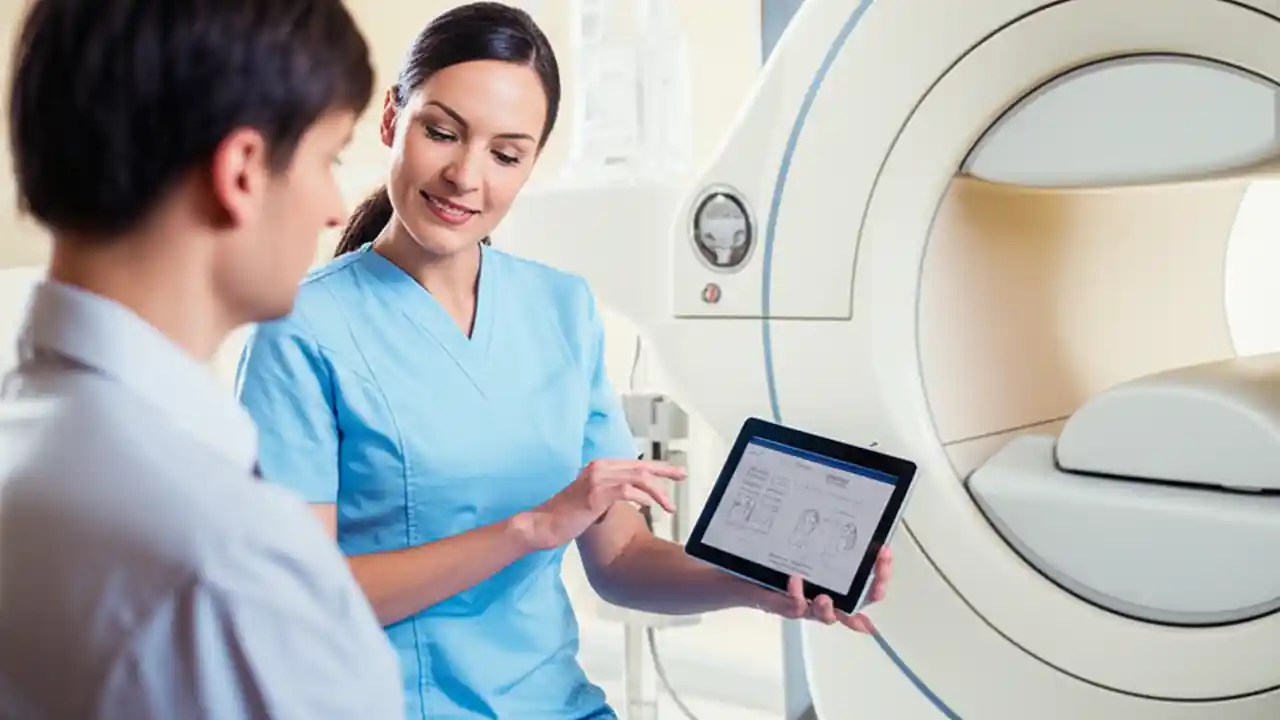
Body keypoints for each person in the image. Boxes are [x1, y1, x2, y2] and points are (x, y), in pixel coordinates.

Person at [234, 3, 893, 719]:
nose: (465, 176)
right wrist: (531, 529)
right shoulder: (301, 328)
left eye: (505, 154)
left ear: (531, 165)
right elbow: (299, 600)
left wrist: (759, 583)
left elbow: (621, 562)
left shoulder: (562, 309)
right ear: (393, 119)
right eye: (441, 132)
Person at [0, 1, 404, 718]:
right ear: (243, 170)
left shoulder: (25, 439)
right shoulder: (227, 566)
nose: (337, 208)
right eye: (328, 158)